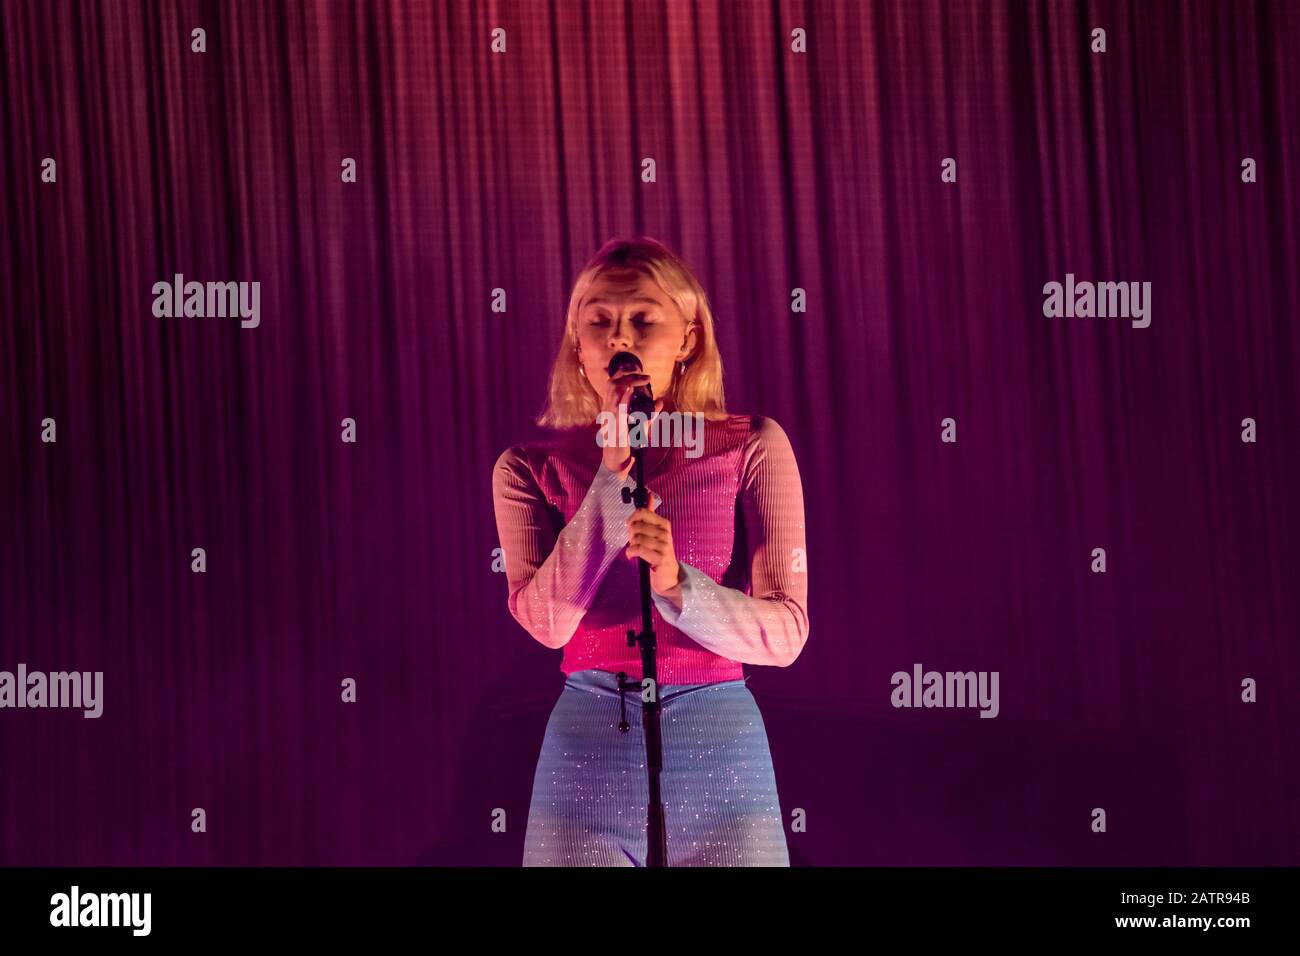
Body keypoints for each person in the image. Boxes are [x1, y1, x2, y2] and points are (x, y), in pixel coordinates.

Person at [491, 236, 809, 866]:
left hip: (720, 750)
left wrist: (677, 584)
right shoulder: (528, 466)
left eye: (643, 319)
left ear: (688, 338)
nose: (620, 338)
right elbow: (547, 624)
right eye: (600, 323)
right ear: (578, 347)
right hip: (587, 752)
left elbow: (788, 634)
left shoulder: (752, 445)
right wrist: (610, 478)